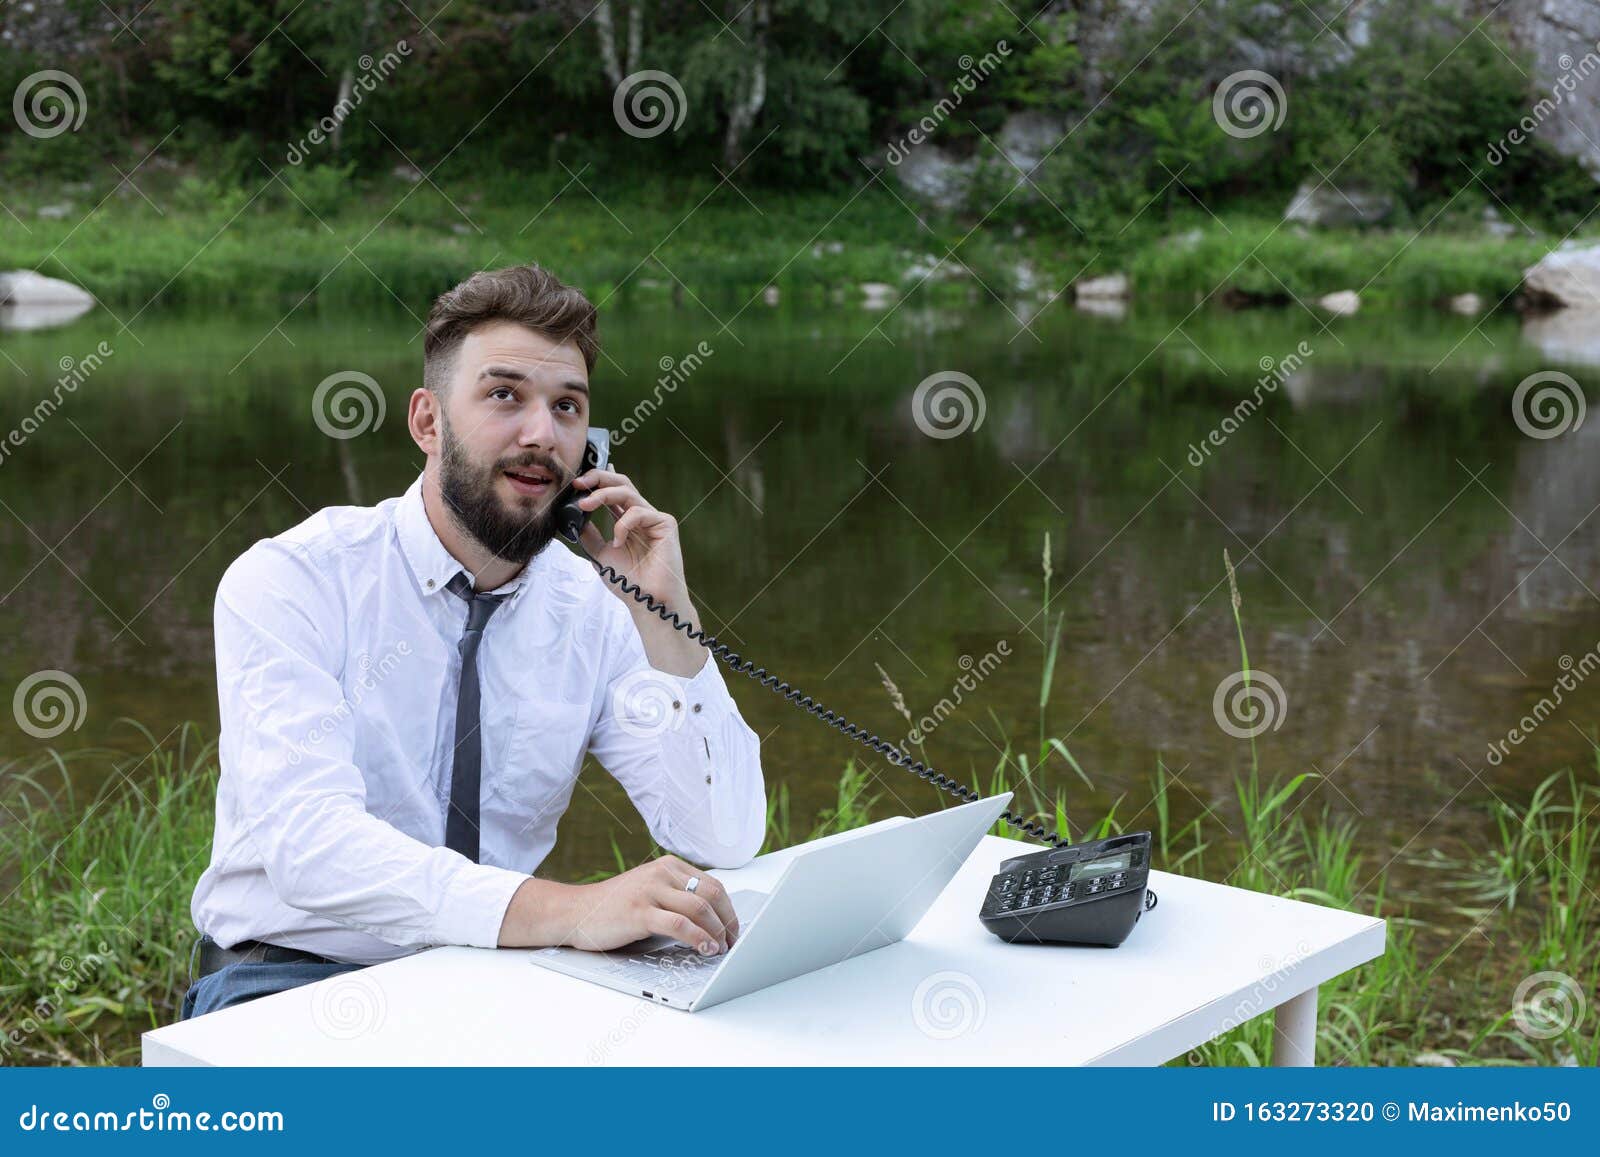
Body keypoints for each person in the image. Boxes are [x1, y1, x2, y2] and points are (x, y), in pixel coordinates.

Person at [181, 263, 765, 1020]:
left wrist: (666, 619)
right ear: (428, 422)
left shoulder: (596, 608)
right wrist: (574, 909)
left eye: (566, 406)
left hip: (501, 974)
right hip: (295, 977)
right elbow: (312, 848)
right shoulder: (295, 580)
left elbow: (723, 835)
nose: (541, 434)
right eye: (504, 396)